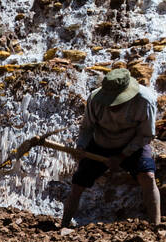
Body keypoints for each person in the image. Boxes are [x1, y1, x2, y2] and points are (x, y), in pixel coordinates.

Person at [61, 68, 160, 229]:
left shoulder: (145, 100)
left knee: (148, 176)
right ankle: (63, 224)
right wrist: (81, 146)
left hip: (133, 144)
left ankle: (156, 226)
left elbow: (146, 135)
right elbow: (87, 128)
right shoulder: (95, 99)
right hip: (101, 144)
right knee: (78, 183)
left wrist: (122, 156)